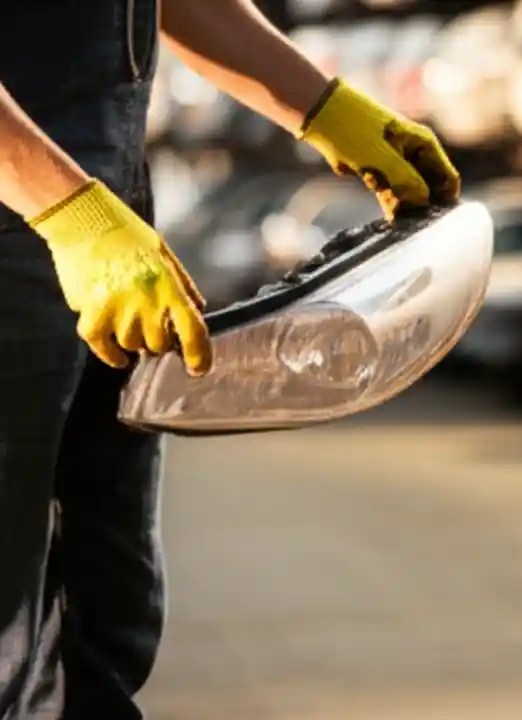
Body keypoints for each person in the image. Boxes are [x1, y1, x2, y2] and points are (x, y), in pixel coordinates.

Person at [0, 1, 460, 717]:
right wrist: (72, 216)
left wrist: (323, 106)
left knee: (103, 613)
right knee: (12, 636)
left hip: (100, 213)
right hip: (46, 212)